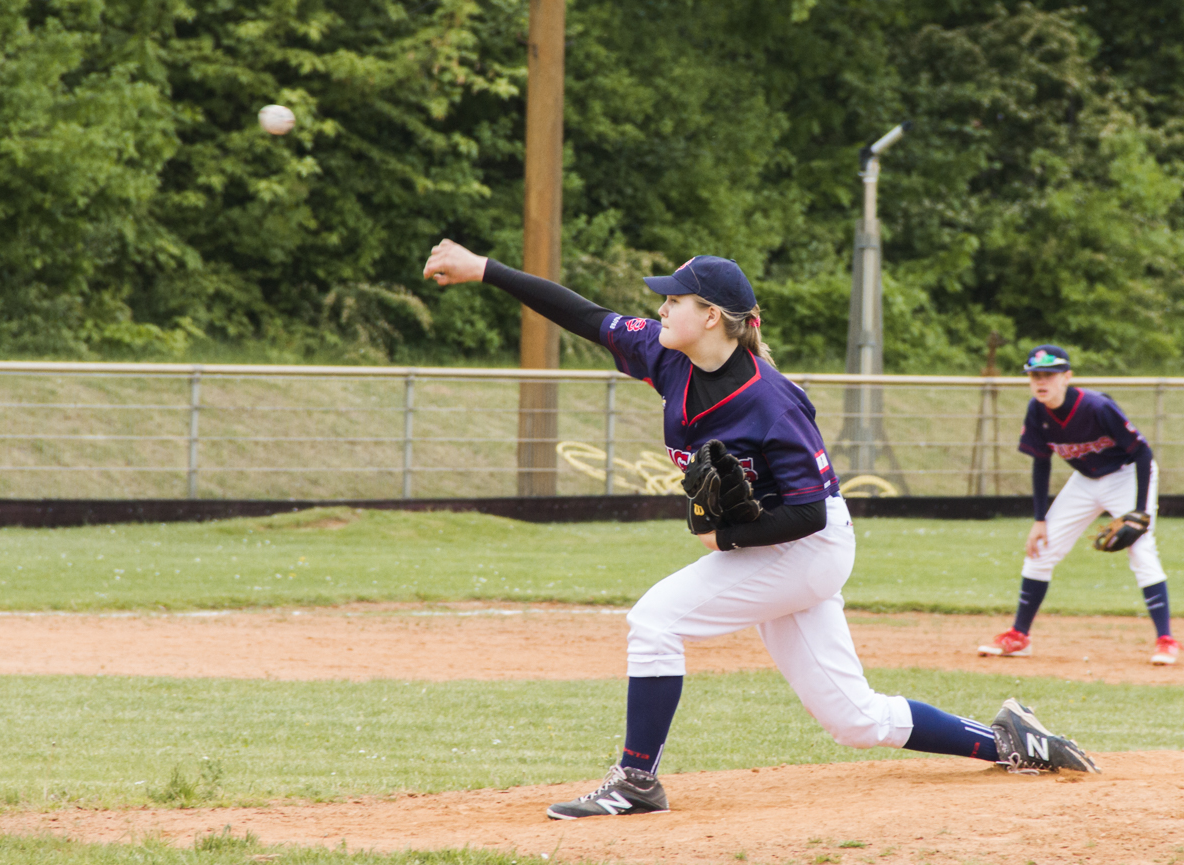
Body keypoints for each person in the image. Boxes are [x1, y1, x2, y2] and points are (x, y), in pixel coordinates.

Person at [422, 242, 1102, 817]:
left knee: (655, 619)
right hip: (782, 549)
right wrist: (486, 269)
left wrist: (725, 540)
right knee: (853, 718)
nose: (660, 308)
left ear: (711, 317)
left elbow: (808, 509)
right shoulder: (668, 356)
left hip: (808, 547)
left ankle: (635, 780)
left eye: (674, 300)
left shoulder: (772, 402)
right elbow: (584, 314)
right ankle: (1011, 741)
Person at [976, 345, 1180, 666]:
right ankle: (1019, 636)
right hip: (1086, 481)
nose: (1041, 381)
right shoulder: (1037, 411)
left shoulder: (1097, 407)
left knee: (1141, 549)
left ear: (1067, 377)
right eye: (1034, 375)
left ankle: (1165, 640)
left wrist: (1139, 510)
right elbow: (1041, 462)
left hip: (1126, 477)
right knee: (1041, 548)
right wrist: (1039, 518)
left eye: (1049, 374)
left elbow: (1142, 452)